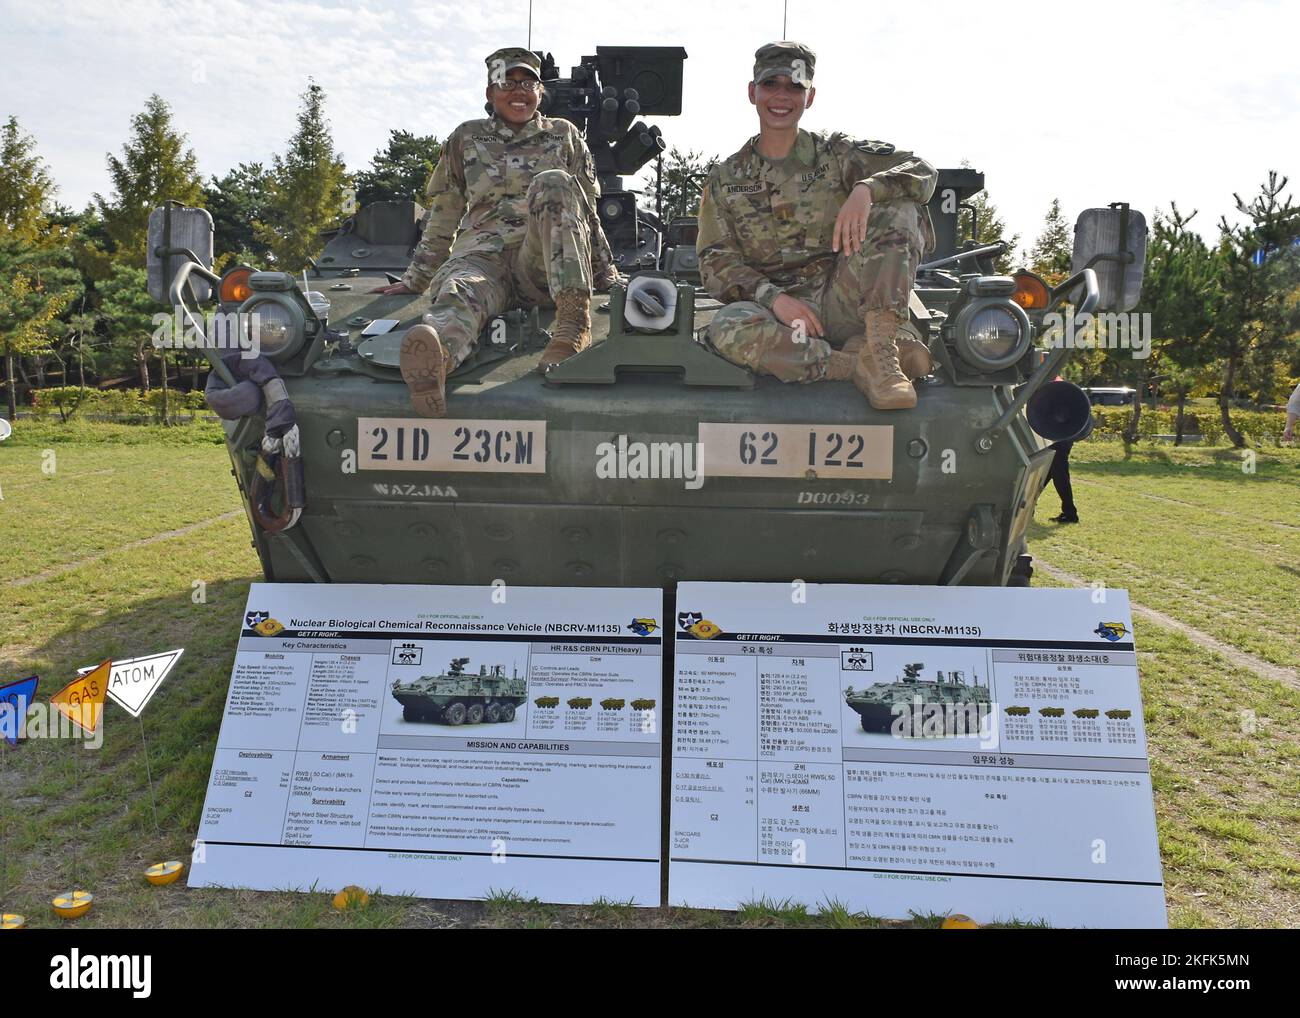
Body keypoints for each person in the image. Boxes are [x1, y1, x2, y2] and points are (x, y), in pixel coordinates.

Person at [373, 47, 616, 417]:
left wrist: (606, 273)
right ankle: (436, 359)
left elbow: (585, 212)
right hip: (483, 258)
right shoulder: (466, 138)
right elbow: (445, 211)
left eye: (528, 83)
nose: (518, 91)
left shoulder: (563, 135)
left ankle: (572, 324)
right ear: (490, 91)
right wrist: (418, 278)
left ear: (540, 91)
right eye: (507, 82)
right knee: (459, 289)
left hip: (540, 265)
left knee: (554, 182)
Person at [696, 41, 938, 411]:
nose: (782, 96)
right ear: (752, 92)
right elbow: (716, 263)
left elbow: (922, 171)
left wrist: (867, 188)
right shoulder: (726, 178)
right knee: (727, 328)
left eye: (795, 86)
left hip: (845, 300)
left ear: (809, 97)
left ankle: (883, 350)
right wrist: (773, 298)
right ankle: (855, 364)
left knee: (900, 207)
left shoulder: (837, 155)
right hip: (784, 322)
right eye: (771, 84)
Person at [1042, 439, 1078, 523]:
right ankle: (1027, 508)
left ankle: (1070, 514)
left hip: (1059, 440)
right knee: (1044, 475)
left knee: (1060, 478)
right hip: (1058, 439)